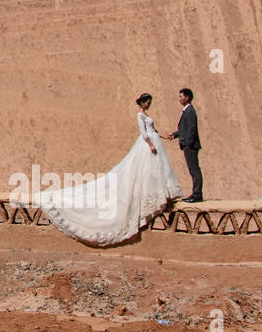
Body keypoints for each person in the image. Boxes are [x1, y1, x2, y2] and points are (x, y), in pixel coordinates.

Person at [36, 93, 184, 246]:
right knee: (143, 171)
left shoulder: (146, 115)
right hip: (147, 146)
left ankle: (158, 194)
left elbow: (153, 129)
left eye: (150, 102)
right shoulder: (140, 115)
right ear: (143, 102)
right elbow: (143, 133)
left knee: (153, 171)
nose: (149, 104)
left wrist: (164, 137)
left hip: (154, 142)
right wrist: (151, 145)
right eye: (147, 102)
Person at [165, 87, 203, 202]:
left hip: (190, 145)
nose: (179, 99)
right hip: (188, 144)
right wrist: (175, 134)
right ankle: (196, 193)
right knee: (193, 170)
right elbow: (185, 129)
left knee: (194, 170)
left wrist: (188, 144)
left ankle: (197, 195)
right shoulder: (187, 110)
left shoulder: (190, 111)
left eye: (181, 97)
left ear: (187, 98)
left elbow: (192, 129)